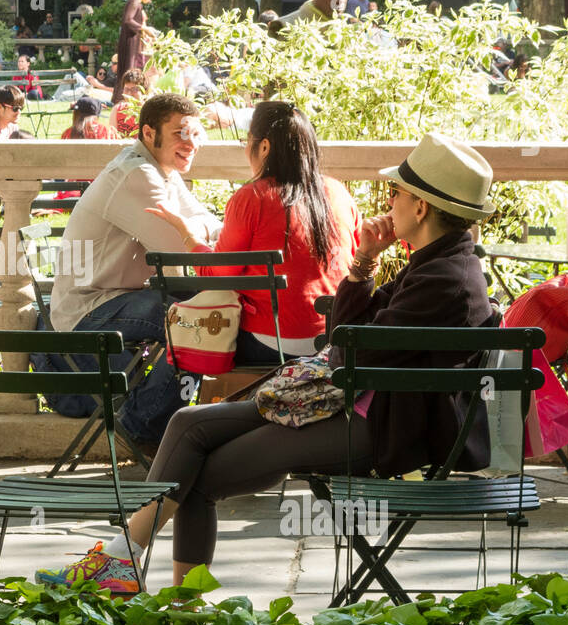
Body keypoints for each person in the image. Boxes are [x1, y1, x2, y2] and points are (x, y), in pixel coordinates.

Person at [38, 132, 498, 591]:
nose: (389, 201)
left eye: (397, 193)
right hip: (358, 403)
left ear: (421, 208)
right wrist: (363, 263)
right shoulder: (438, 264)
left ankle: (143, 579)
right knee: (188, 426)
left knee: (193, 463)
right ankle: (142, 575)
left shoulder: (446, 278)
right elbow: (351, 338)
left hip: (377, 426)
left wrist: (355, 299)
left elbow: (352, 344)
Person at [34, 94, 221, 448]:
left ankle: (159, 417)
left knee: (205, 310)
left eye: (196, 133)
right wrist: (195, 231)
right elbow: (182, 249)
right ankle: (142, 423)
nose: (191, 143)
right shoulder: (138, 173)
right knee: (197, 318)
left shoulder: (159, 170)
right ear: (149, 133)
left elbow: (205, 225)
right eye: (181, 132)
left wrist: (197, 230)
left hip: (116, 298)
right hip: (89, 309)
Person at [146, 102, 360, 365]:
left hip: (272, 343)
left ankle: (160, 406)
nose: (246, 149)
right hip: (333, 342)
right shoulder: (339, 192)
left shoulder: (252, 198)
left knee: (189, 337)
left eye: (247, 141)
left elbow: (215, 277)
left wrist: (188, 235)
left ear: (265, 146)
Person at [112, 0, 159, 104]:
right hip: (130, 42)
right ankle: (122, 99)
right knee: (129, 69)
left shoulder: (136, 2)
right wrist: (144, 29)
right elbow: (128, 21)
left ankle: (124, 98)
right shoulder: (135, 1)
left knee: (130, 69)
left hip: (133, 41)